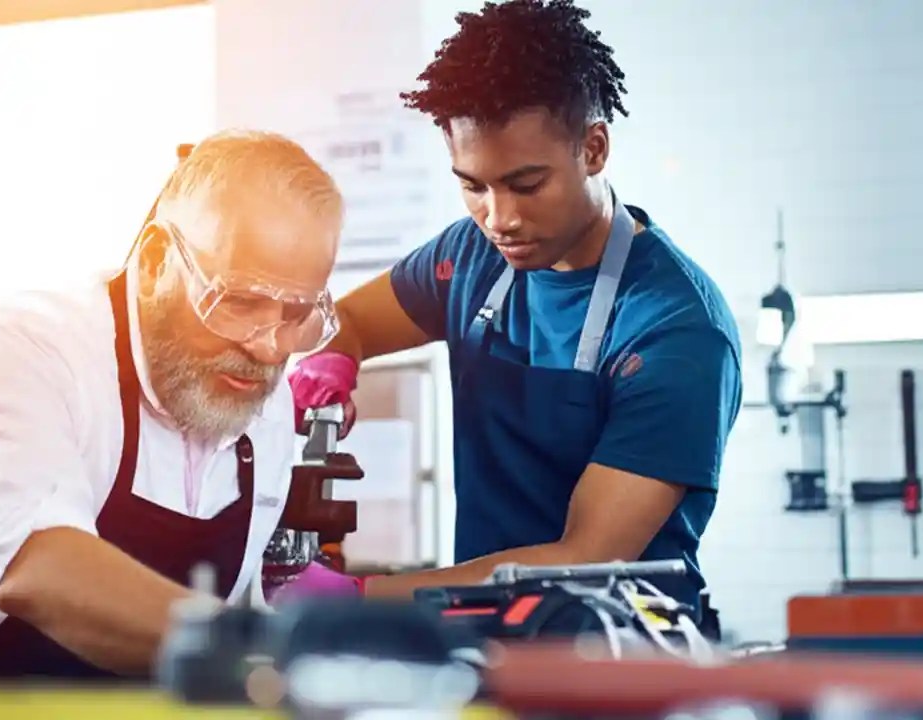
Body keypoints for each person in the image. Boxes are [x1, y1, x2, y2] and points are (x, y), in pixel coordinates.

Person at [0, 130, 345, 697]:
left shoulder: (261, 403)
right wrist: (271, 649)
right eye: (240, 301)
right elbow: (39, 568)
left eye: (296, 314)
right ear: (155, 261)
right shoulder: (24, 350)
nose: (270, 349)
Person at [282, 0, 742, 614]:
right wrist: (331, 357)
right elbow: (352, 321)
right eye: (473, 185)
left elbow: (587, 559)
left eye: (527, 185)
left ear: (594, 149)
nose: (499, 219)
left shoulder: (676, 331)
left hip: (619, 644)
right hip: (479, 628)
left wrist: (360, 599)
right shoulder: (468, 257)